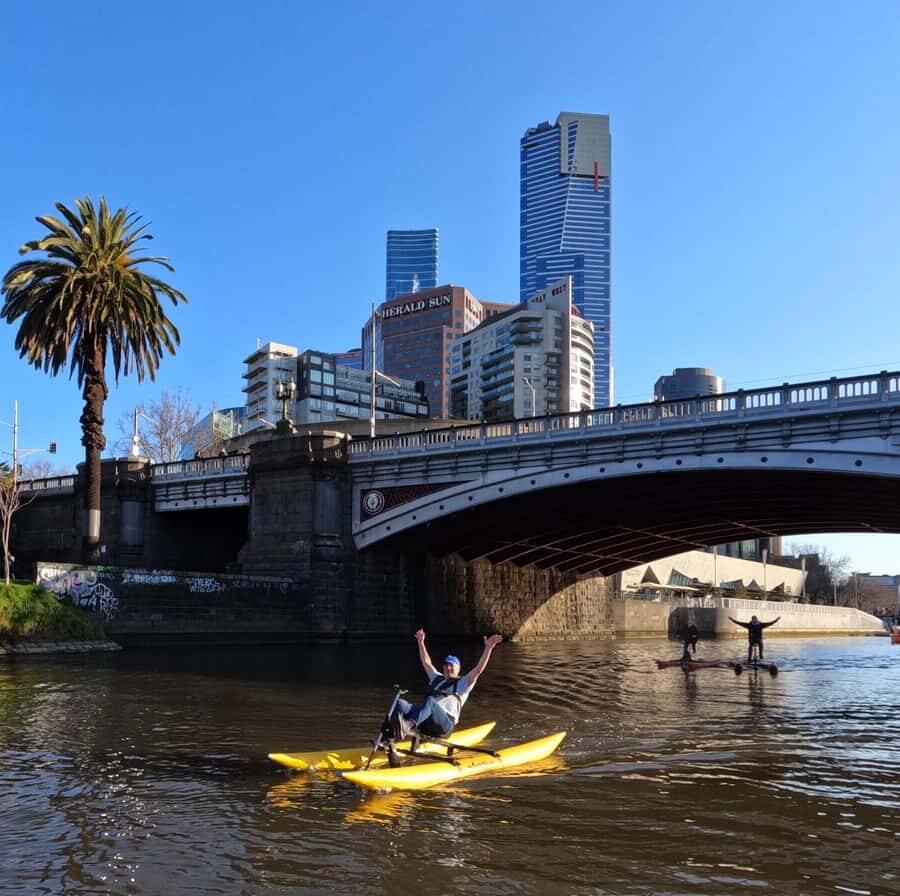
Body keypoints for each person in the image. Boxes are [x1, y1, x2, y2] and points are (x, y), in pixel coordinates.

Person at [388, 628, 503, 750]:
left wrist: (488, 648)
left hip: (445, 725)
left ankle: (407, 726)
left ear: (458, 669)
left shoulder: (464, 682)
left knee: (431, 701)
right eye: (446, 665)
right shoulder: (437, 678)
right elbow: (426, 662)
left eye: (451, 666)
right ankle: (390, 740)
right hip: (427, 720)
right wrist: (421, 642)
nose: (448, 668)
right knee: (399, 703)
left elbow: (479, 668)